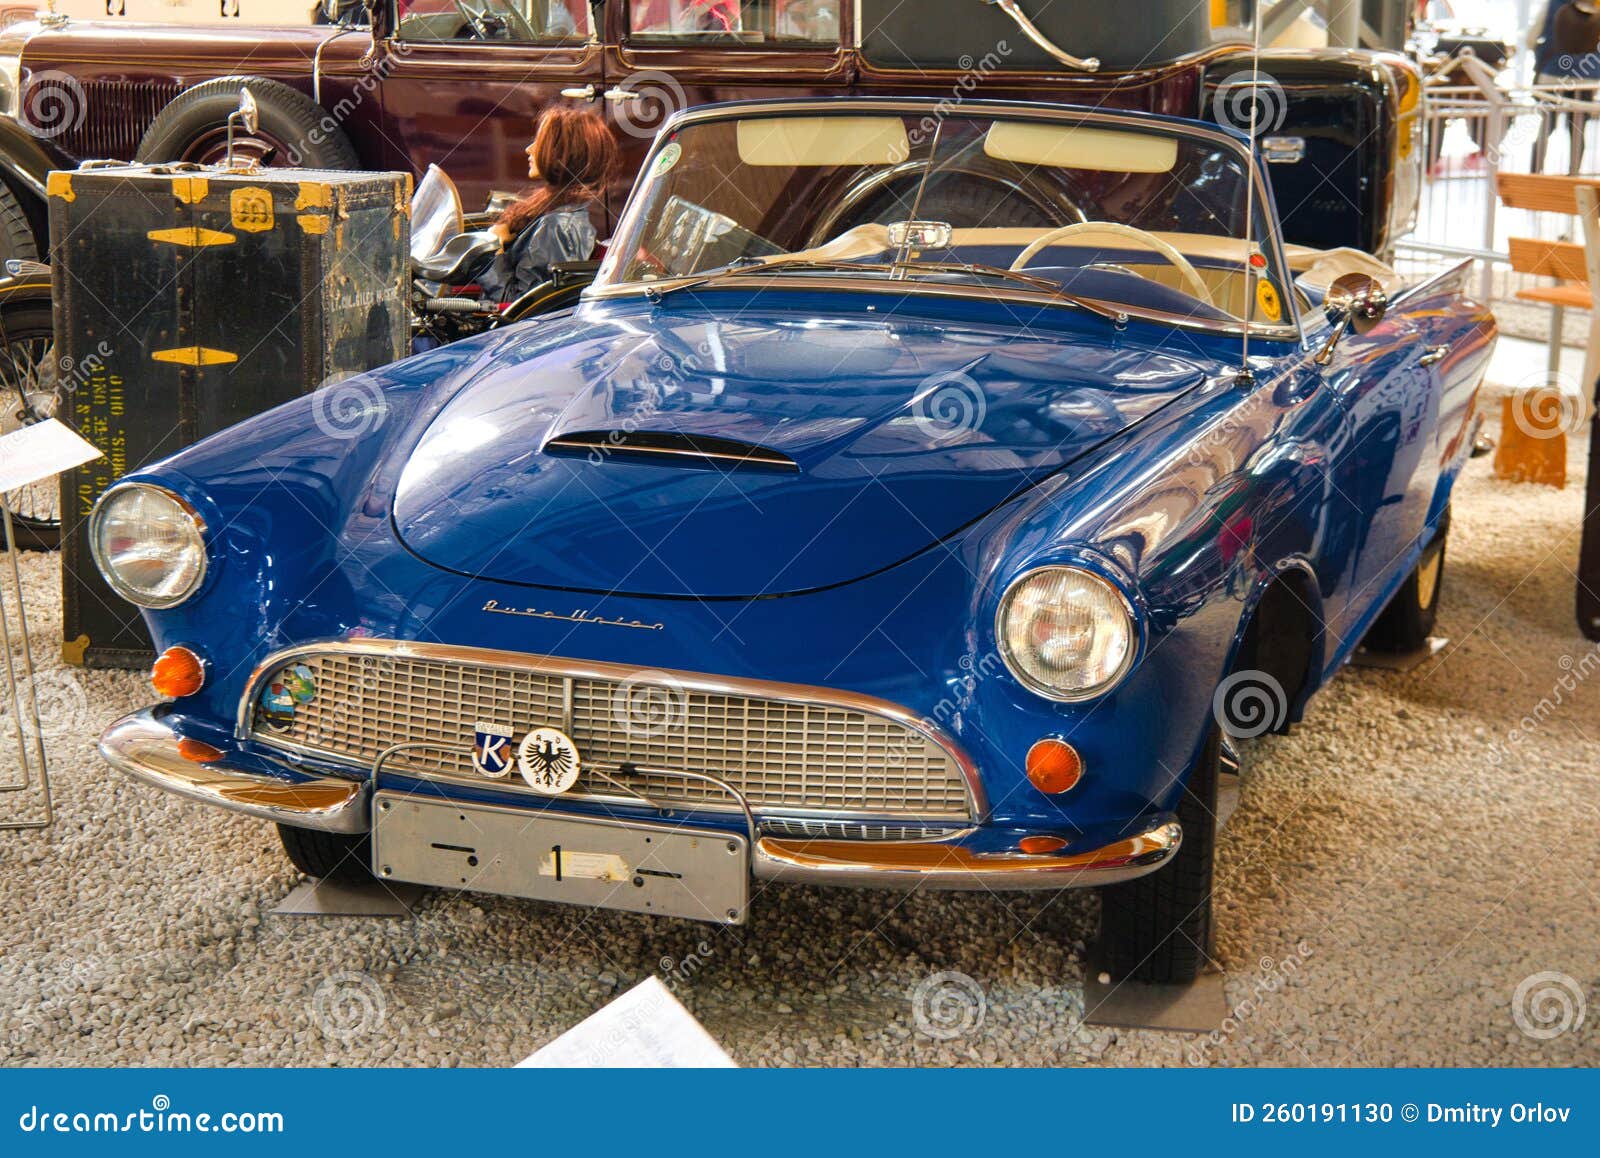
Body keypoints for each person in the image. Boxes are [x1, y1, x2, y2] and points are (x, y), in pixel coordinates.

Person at [478, 106, 615, 304]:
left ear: (563, 153)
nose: (529, 149)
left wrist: (493, 249)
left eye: (540, 143)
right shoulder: (558, 211)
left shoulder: (557, 226)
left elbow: (521, 308)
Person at [1530, 1, 1600, 173]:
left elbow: (1531, 38)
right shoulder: (1596, 6)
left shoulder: (1553, 5)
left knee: (1546, 127)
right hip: (1586, 79)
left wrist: (1541, 54)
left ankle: (1535, 174)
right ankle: (1573, 176)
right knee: (1577, 129)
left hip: (1552, 75)